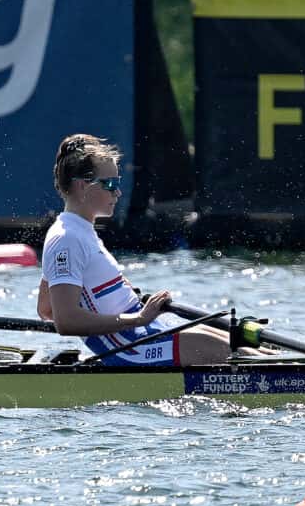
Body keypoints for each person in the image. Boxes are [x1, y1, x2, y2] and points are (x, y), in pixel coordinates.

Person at [36, 134, 234, 365]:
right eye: (110, 184)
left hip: (142, 332)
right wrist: (137, 318)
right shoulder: (67, 238)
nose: (117, 193)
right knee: (223, 349)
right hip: (128, 349)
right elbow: (66, 321)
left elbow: (46, 308)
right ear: (82, 187)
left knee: (237, 341)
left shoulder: (79, 232)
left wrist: (119, 297)